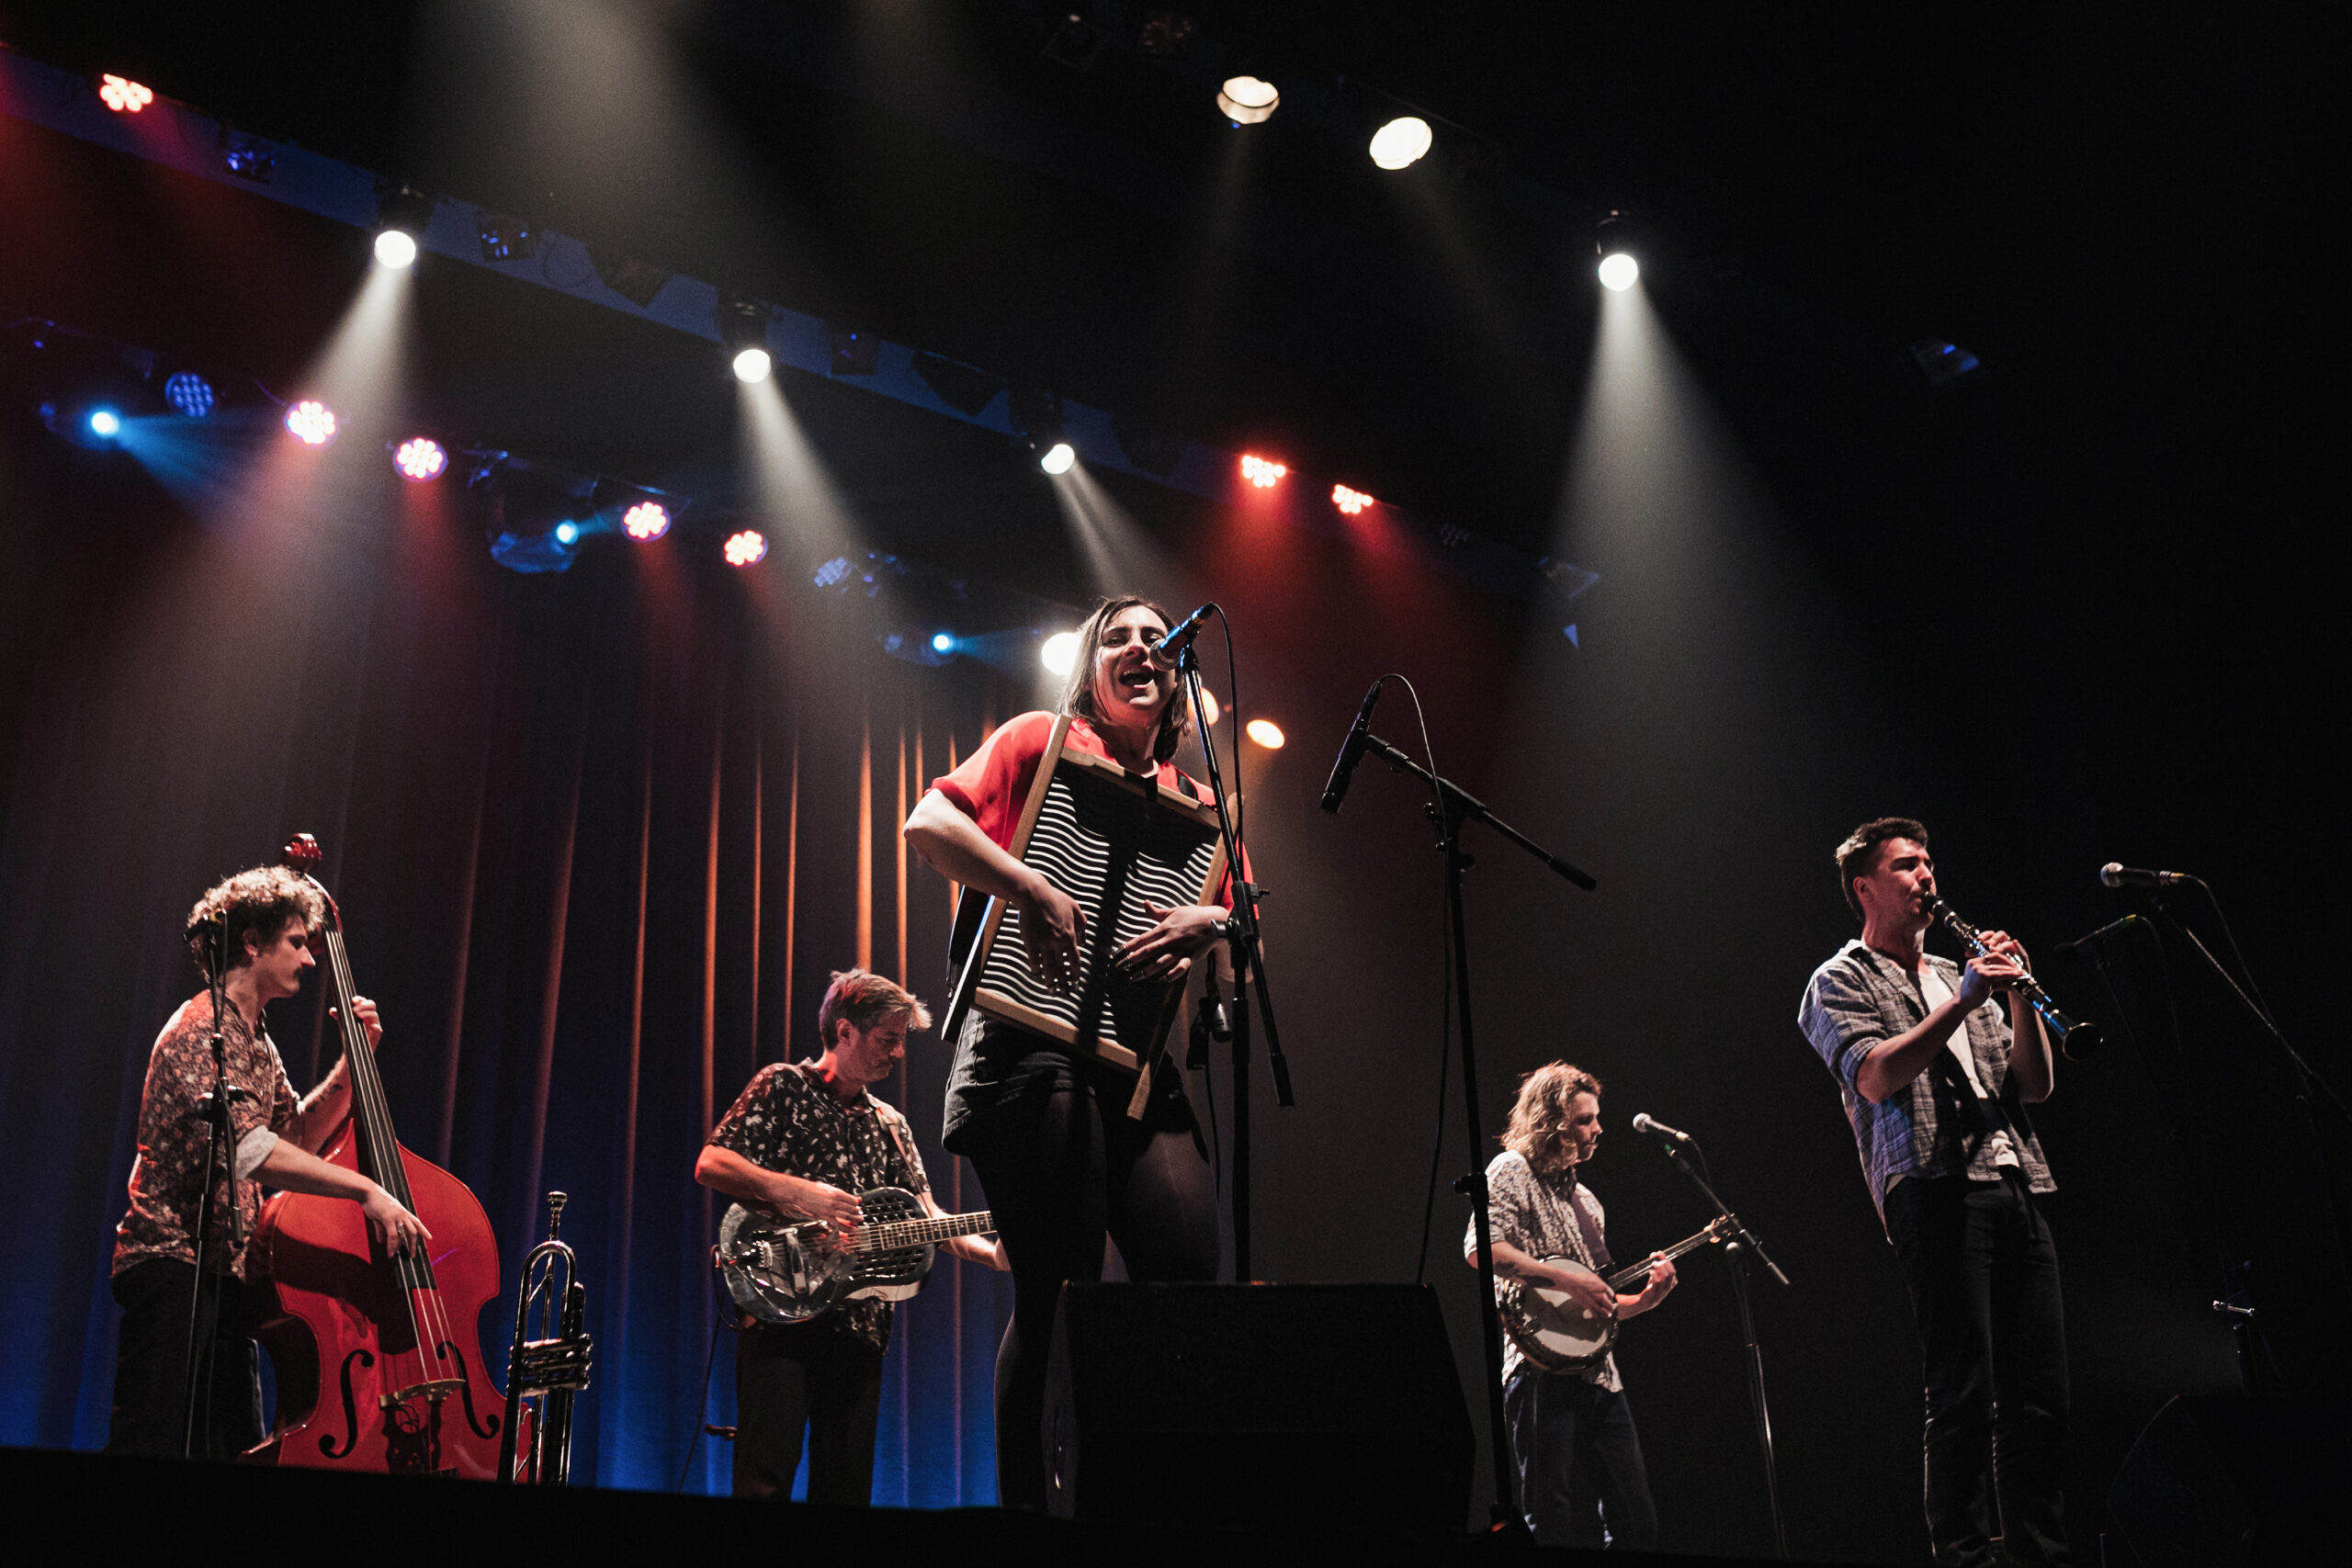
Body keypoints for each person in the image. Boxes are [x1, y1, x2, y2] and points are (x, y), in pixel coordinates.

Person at [902, 593, 1232, 1508]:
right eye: (1117, 637)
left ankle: (1144, 1501)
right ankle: (1029, 1515)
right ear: (1089, 670)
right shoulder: (1039, 739)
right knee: (1060, 1289)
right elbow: (928, 825)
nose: (1141, 649)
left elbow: (1242, 911)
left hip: (1132, 1068)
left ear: (1174, 679)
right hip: (1026, 1050)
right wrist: (1030, 886)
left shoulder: (1199, 803)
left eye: (1154, 640)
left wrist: (1211, 924)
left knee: (1182, 1279)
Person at [1799, 818, 2068, 1568]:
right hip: (1933, 1190)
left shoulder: (1958, 969)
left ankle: (2040, 1553)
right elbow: (1876, 1075)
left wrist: (2016, 998)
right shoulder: (1838, 978)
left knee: (2040, 1396)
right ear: (1866, 886)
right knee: (1962, 1392)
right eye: (1908, 865)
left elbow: (2035, 1086)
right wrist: (1965, 999)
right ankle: (1965, 1557)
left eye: (1929, 863)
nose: (1927, 877)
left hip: (2014, 1177)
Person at [107, 866, 431, 1458]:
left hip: (229, 1276)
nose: (311, 960)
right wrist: (365, 1190)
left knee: (231, 1448)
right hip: (174, 1268)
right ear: (252, 942)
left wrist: (355, 1065)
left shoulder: (255, 1040)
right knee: (151, 1445)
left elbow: (294, 1139)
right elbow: (251, 1152)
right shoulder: (200, 1029)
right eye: (297, 942)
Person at [695, 968, 1005, 1503]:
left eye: (901, 1040)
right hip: (781, 1315)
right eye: (888, 1039)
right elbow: (712, 1163)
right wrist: (801, 1192)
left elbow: (928, 1217)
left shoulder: (892, 1123)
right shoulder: (782, 1085)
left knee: (845, 1492)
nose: (898, 1053)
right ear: (844, 1031)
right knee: (763, 1481)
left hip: (860, 1327)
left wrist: (993, 1253)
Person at [1471, 1061, 1676, 1549]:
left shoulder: (1588, 1201)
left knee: (1636, 1521)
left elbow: (1595, 1307)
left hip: (1600, 1375)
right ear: (1550, 1123)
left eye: (1595, 1117)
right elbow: (1482, 1247)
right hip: (1538, 1370)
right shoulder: (1511, 1170)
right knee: (1552, 1522)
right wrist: (1562, 1275)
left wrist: (1645, 1300)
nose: (1597, 1128)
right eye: (1584, 1120)